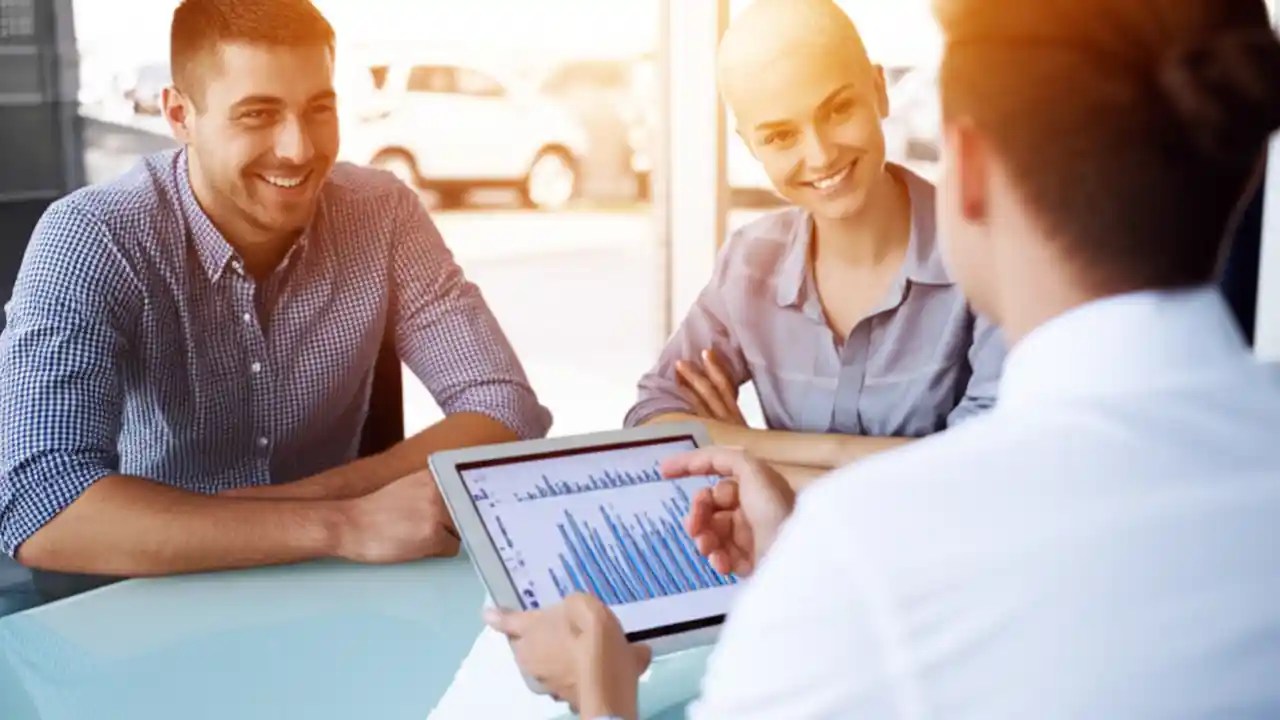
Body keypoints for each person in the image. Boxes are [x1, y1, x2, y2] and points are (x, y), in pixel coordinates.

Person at [486, 0, 1280, 716]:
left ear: (963, 171)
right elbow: (659, 414)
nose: (818, 151)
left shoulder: (874, 548)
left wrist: (601, 691)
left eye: (834, 109)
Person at [0, 0, 551, 580]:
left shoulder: (382, 212)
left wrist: (328, 501)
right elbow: (41, 505)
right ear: (180, 115)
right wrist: (343, 523)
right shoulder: (94, 235)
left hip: (342, 581)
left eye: (319, 109)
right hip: (161, 582)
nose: (300, 149)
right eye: (258, 114)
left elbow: (506, 407)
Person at [624, 0, 1004, 488]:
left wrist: (749, 459)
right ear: (751, 147)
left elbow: (983, 469)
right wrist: (835, 455)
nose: (820, 154)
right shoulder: (749, 263)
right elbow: (650, 425)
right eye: (781, 136)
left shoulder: (988, 254)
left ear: (879, 91)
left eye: (838, 109)